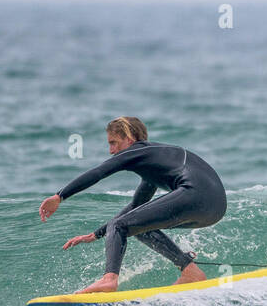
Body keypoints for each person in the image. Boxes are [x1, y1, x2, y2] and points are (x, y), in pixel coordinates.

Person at [39, 117, 227, 293]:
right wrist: (97, 234)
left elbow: (98, 172)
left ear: (129, 138)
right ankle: (190, 272)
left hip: (195, 194)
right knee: (139, 226)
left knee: (120, 225)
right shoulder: (156, 162)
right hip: (215, 207)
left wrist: (60, 196)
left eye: (113, 143)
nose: (111, 151)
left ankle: (109, 279)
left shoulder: (138, 151)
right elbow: (136, 209)